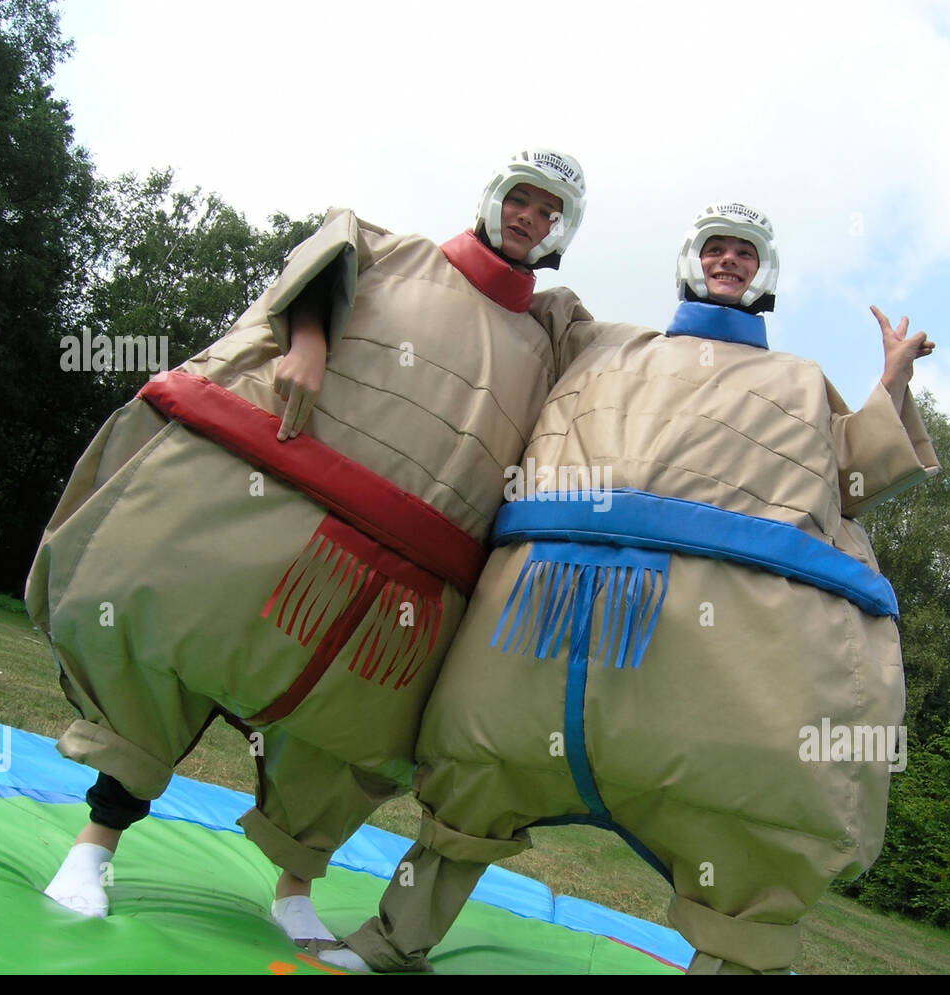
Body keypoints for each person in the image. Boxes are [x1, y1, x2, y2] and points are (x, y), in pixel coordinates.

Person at [333, 201, 940, 974]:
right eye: (717, 249)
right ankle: (390, 940)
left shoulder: (798, 385)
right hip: (543, 629)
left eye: (744, 255)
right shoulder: (604, 346)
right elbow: (508, 323)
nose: (730, 262)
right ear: (692, 260)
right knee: (474, 777)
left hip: (699, 667)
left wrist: (891, 383)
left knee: (742, 831)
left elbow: (853, 480)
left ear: (764, 274)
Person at [29, 149, 589, 950]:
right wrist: (308, 340)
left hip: (410, 566)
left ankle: (294, 890)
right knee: (171, 632)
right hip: (293, 501)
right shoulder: (393, 250)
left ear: (561, 232)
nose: (530, 217)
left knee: (348, 734)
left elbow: (623, 379)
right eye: (522, 200)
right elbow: (327, 259)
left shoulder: (553, 338)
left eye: (550, 212)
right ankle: (96, 846)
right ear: (494, 198)